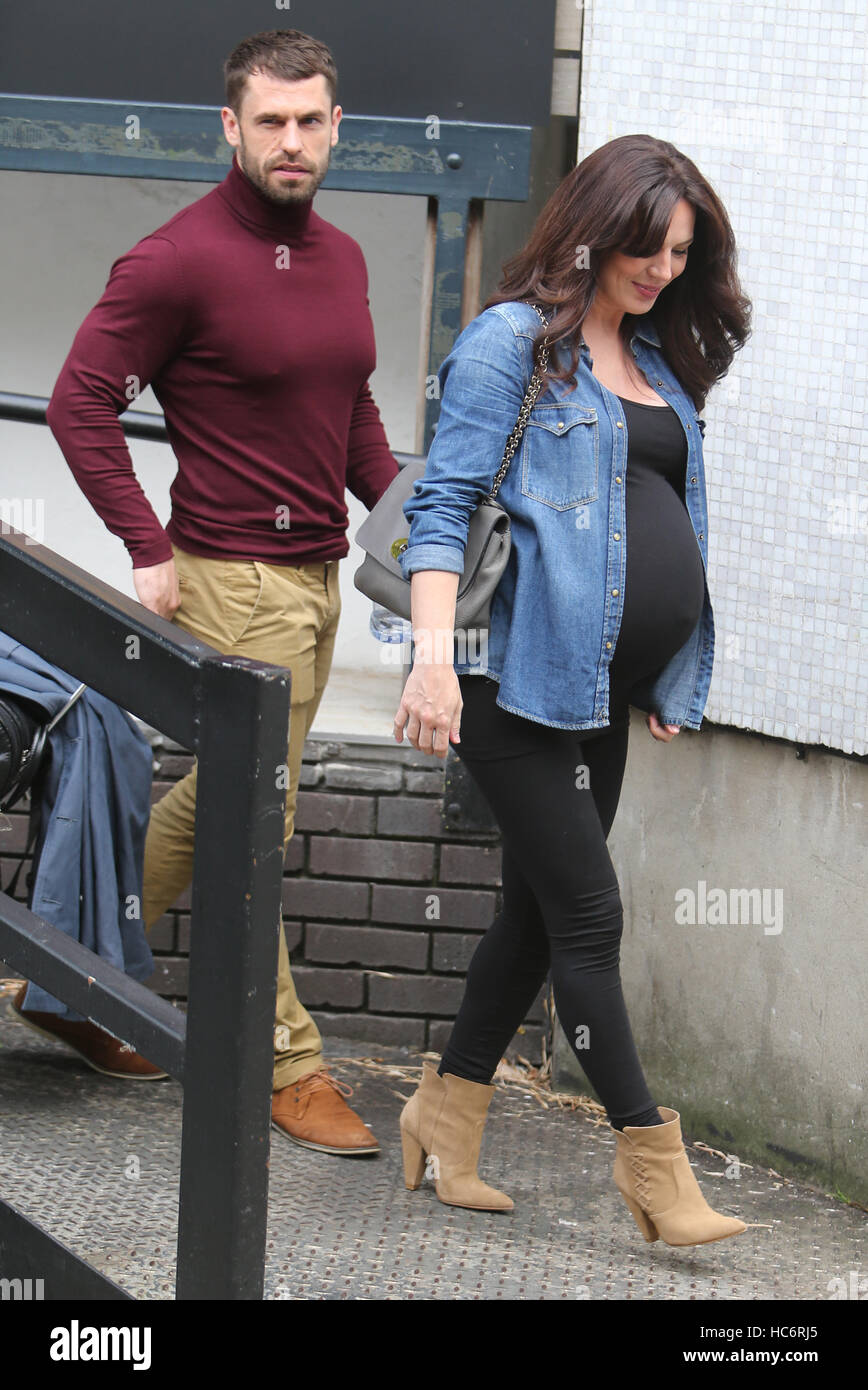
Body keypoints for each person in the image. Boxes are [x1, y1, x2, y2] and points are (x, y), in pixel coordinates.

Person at [42, 29, 398, 1153]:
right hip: (234, 586)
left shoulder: (340, 258)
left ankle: (59, 957)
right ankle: (287, 1063)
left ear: (337, 127)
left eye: (311, 121)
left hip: (320, 581)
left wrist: (417, 525)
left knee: (221, 809)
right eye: (270, 120)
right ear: (231, 127)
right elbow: (79, 400)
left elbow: (350, 415)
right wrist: (145, 546)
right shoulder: (177, 258)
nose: (291, 141)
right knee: (258, 820)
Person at [393, 134, 753, 1244]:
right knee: (590, 912)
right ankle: (650, 1164)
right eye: (647, 247)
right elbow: (442, 502)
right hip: (510, 683)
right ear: (594, 227)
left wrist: (658, 664)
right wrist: (430, 656)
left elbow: (651, 523)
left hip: (600, 687)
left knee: (537, 916)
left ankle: (442, 1119)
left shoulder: (651, 357)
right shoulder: (512, 343)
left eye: (682, 252)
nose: (661, 269)